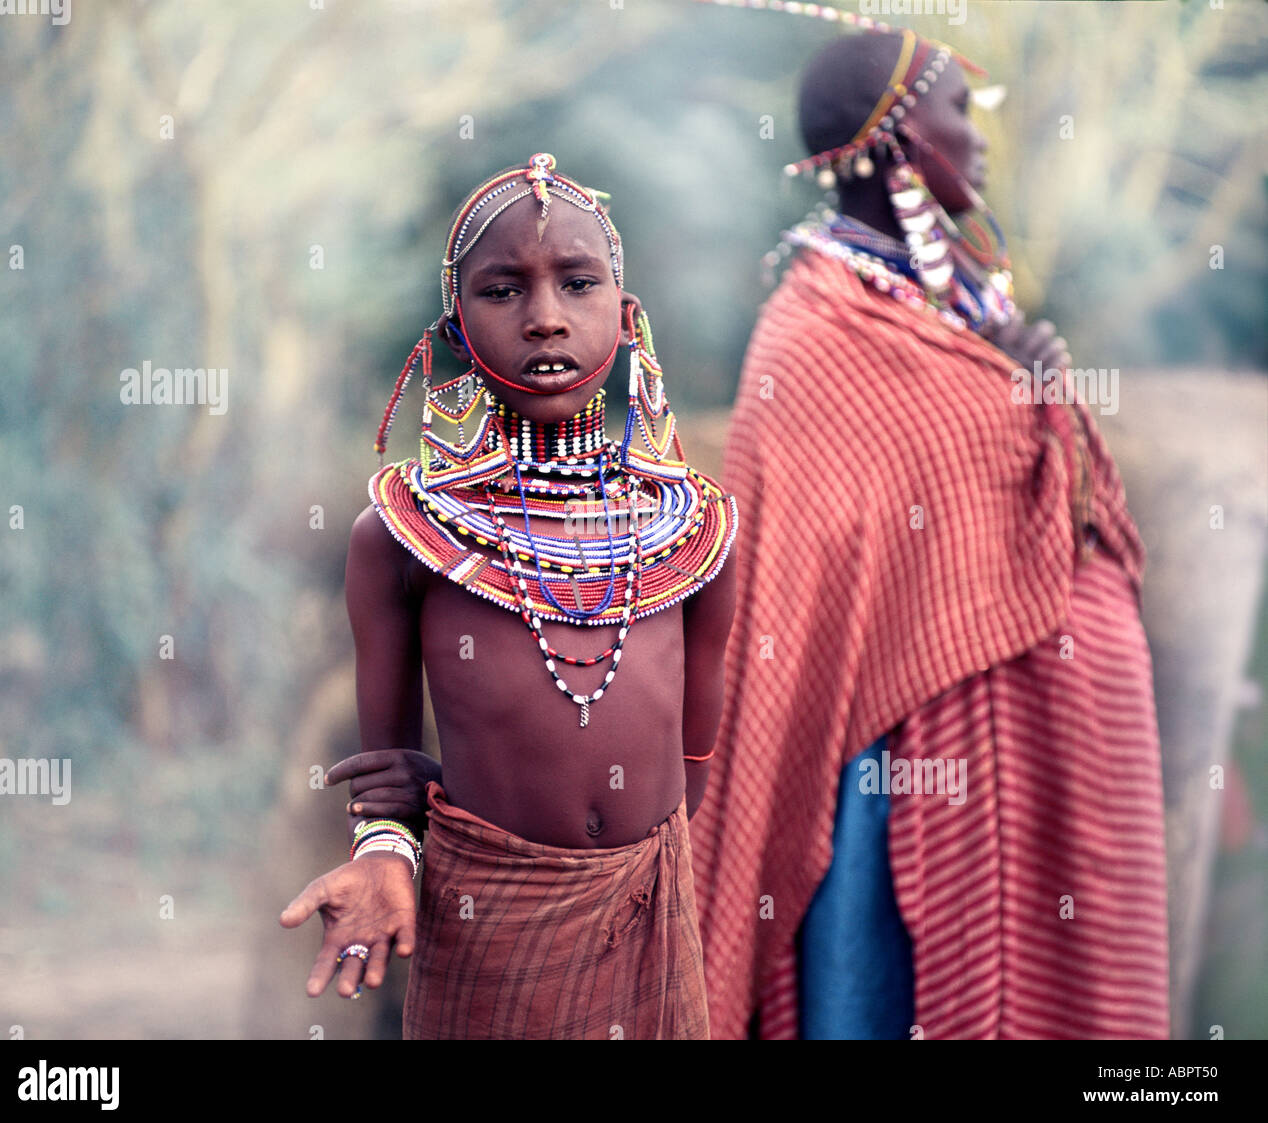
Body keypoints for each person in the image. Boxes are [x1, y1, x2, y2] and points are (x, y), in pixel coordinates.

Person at [690, 5, 1169, 1040]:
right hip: (877, 730)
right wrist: (1014, 396)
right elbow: (828, 547)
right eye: (963, 109)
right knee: (873, 986)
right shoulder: (814, 325)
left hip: (1012, 727)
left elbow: (1053, 496)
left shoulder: (956, 301)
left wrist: (1031, 380)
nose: (982, 135)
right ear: (903, 140)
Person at [279, 153, 738, 1040]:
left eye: (578, 282)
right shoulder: (407, 533)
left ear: (626, 312)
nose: (546, 319)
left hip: (651, 913)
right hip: (488, 920)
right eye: (503, 291)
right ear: (455, 328)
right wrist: (394, 845)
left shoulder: (693, 533)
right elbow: (386, 779)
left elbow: (689, 776)